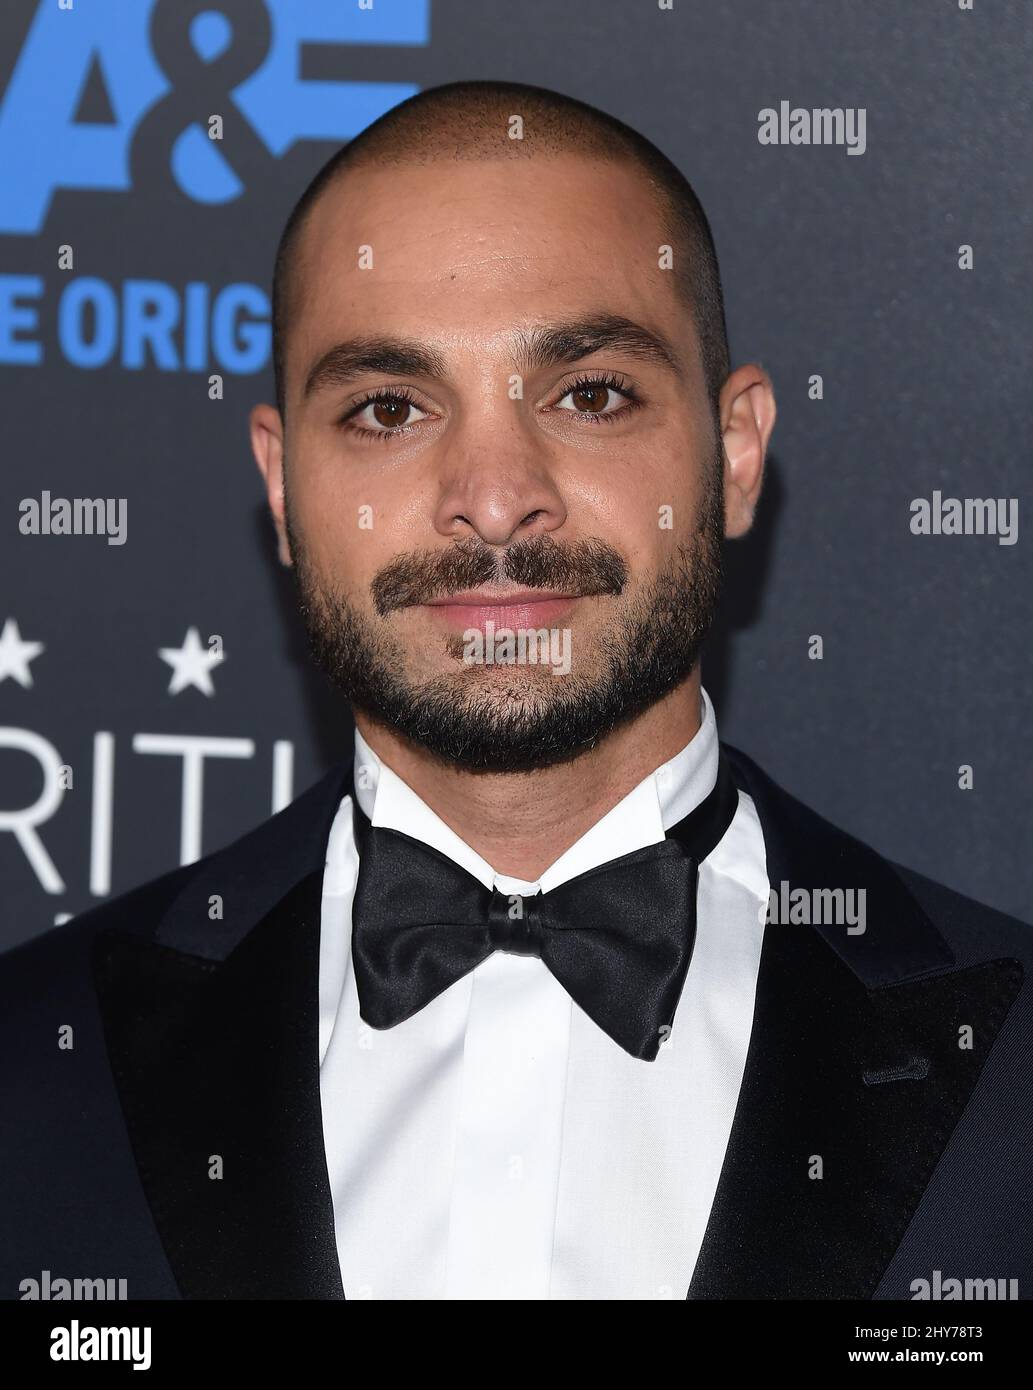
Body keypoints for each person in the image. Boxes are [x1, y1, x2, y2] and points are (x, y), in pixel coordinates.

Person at [1, 80, 1029, 1302]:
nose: (492, 498)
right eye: (389, 408)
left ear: (735, 452)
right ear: (283, 488)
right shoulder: (33, 1061)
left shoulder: (1008, 1070)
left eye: (588, 393)